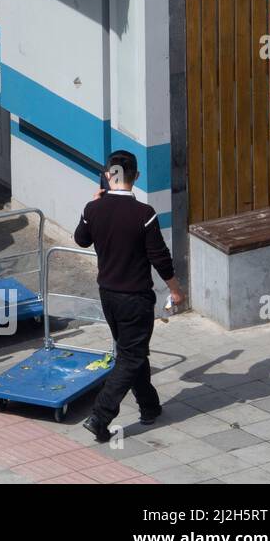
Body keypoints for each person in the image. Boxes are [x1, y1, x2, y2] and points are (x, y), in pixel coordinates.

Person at [75, 151, 185, 442]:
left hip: (108, 295)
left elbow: (81, 239)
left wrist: (92, 206)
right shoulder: (144, 214)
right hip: (135, 298)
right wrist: (174, 289)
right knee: (130, 356)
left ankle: (149, 406)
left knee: (132, 353)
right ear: (136, 176)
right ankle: (100, 416)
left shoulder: (92, 209)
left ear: (109, 175)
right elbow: (160, 258)